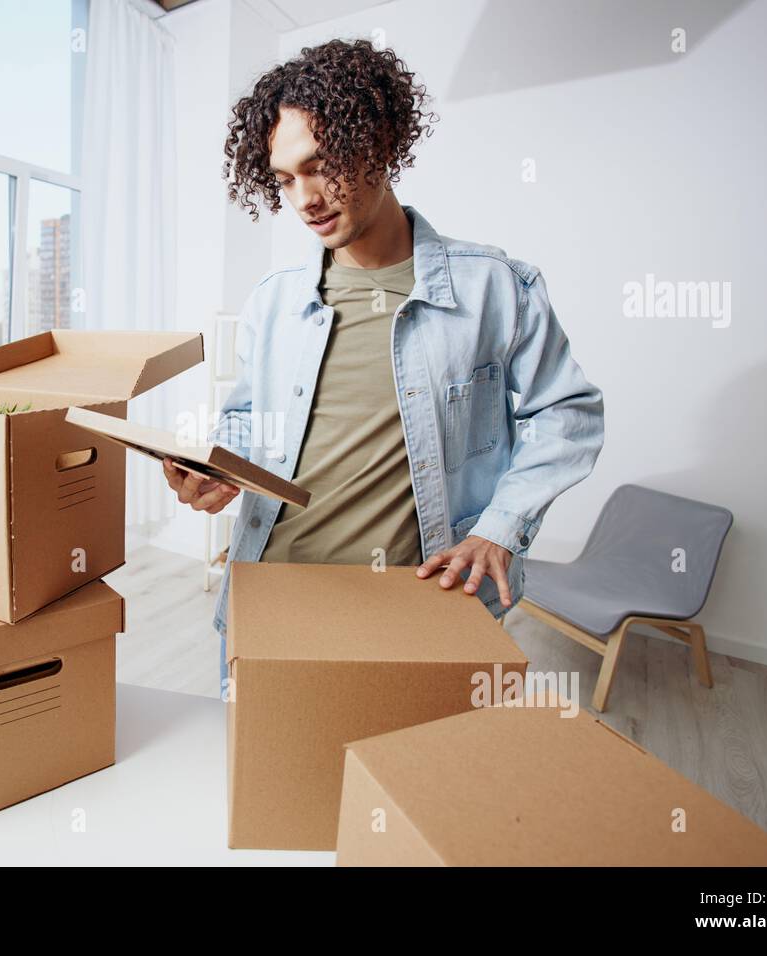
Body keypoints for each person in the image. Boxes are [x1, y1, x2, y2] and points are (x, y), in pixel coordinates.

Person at [162, 38, 605, 696]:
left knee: (414, 787)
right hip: (277, 595)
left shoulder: (495, 288)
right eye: (284, 179)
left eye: (321, 165)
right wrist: (218, 467)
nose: (305, 197)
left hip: (422, 608)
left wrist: (501, 530)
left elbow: (567, 413)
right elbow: (253, 419)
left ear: (379, 140)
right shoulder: (274, 300)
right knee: (272, 793)